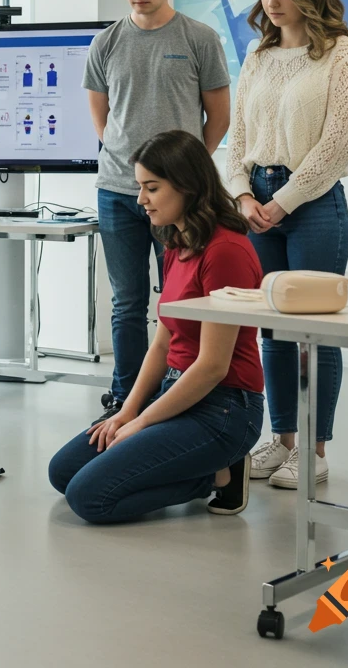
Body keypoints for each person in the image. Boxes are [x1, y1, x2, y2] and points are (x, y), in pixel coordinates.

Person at [48, 130, 265, 524]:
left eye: (151, 188)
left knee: (89, 498)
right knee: (62, 472)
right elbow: (162, 344)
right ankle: (199, 465)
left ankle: (217, 474)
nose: (140, 200)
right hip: (176, 391)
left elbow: (214, 366)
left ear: (187, 186)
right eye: (139, 187)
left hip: (224, 408)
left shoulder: (226, 251)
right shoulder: (177, 242)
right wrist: (126, 412)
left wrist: (144, 421)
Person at [225, 0, 348, 490]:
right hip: (255, 201)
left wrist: (283, 201)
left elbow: (335, 145)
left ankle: (314, 450)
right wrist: (241, 195)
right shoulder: (257, 57)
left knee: (316, 334)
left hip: (313, 207)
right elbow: (238, 138)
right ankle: (281, 439)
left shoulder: (340, 55)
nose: (273, 1)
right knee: (273, 333)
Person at [84, 0, 231, 420]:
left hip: (179, 199)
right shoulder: (105, 42)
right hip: (117, 194)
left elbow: (220, 117)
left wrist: (182, 174)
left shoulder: (198, 38)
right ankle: (126, 401)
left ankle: (176, 395)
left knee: (180, 302)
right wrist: (134, 171)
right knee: (127, 303)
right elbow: (102, 119)